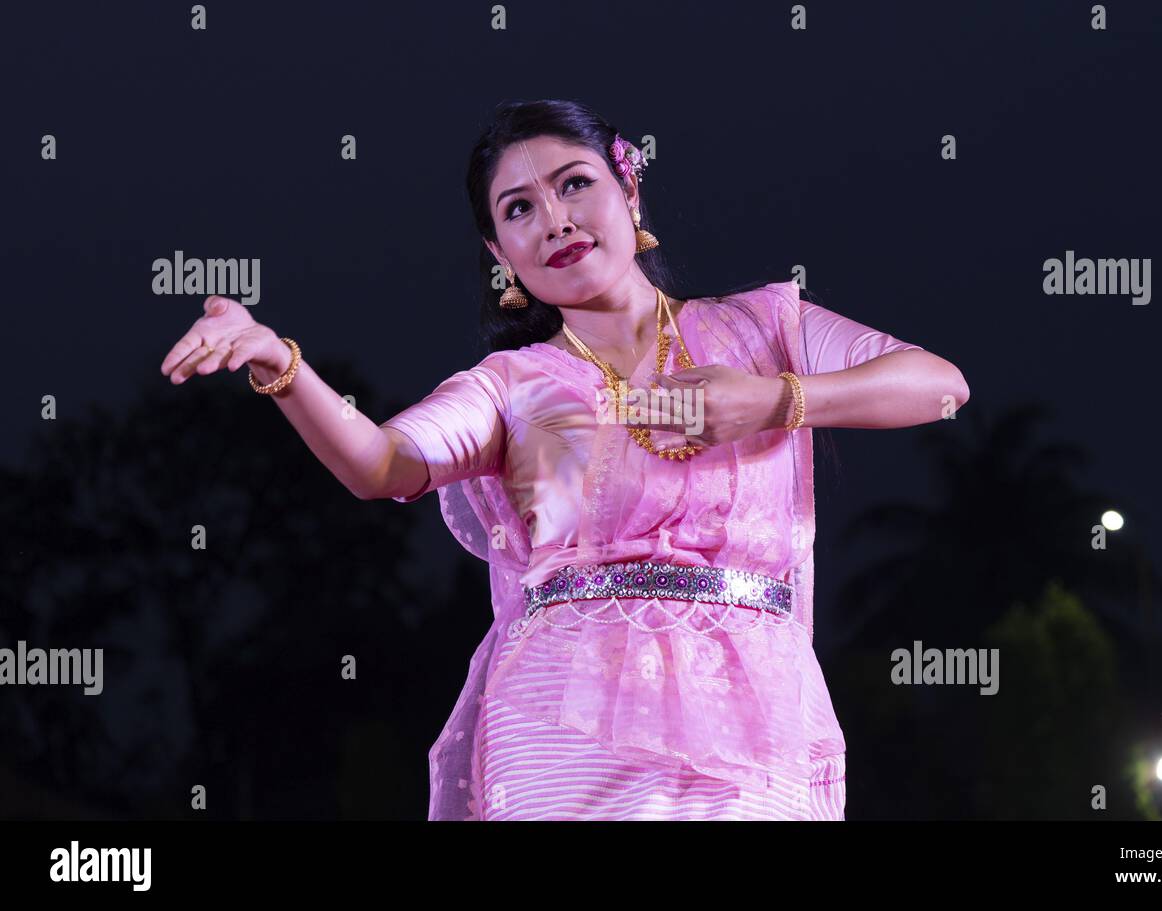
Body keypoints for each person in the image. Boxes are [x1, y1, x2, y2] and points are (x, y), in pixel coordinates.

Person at [160, 99, 970, 821]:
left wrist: (775, 401)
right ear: (499, 251)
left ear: (630, 191)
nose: (555, 219)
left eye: (575, 183)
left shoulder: (764, 328)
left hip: (755, 723)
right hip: (566, 730)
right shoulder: (514, 385)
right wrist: (282, 366)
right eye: (520, 208)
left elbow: (939, 386)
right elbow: (384, 464)